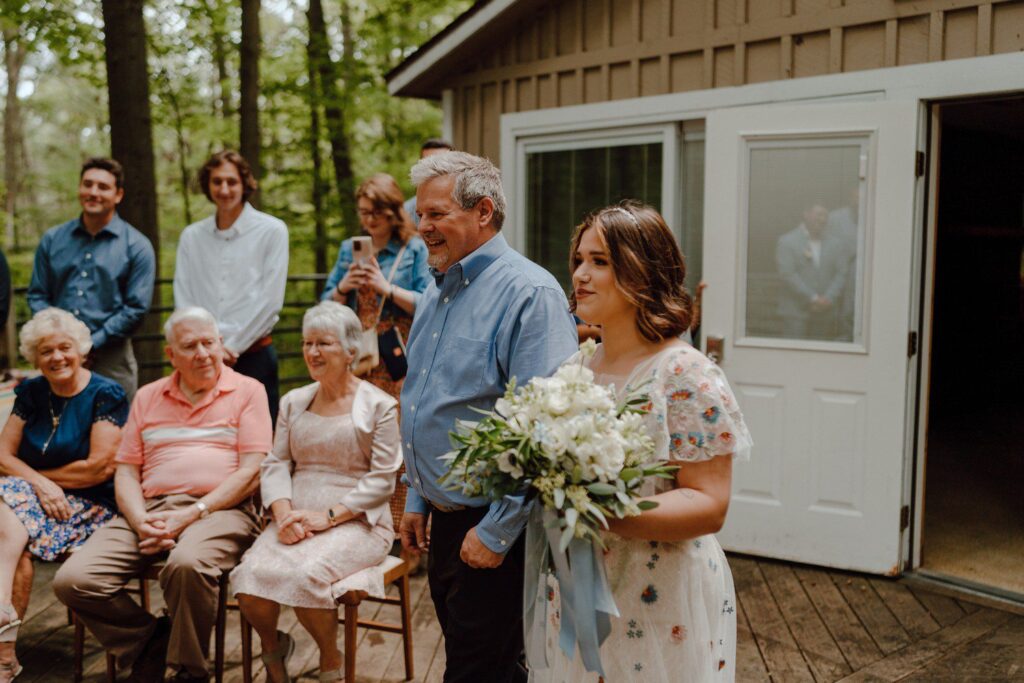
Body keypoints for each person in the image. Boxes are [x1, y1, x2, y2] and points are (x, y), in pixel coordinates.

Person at [526, 202, 752, 682]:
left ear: (643, 271)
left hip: (658, 594)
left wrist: (597, 512)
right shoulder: (577, 367)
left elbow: (709, 504)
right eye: (579, 260)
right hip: (578, 588)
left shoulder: (684, 375)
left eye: (601, 261)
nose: (581, 275)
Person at [398, 151, 578, 683]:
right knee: (482, 664)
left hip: (495, 526)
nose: (422, 227)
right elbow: (426, 401)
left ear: (482, 211)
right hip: (444, 520)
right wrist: (416, 496)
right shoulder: (438, 289)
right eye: (419, 214)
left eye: (435, 214)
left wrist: (497, 530)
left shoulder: (530, 293)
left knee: (479, 670)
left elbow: (545, 427)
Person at [53, 307, 272, 683]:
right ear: (171, 355)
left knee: (186, 564)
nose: (203, 353)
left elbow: (252, 471)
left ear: (221, 345)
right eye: (191, 346)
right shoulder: (149, 396)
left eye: (210, 342)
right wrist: (139, 520)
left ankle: (188, 671)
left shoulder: (248, 391)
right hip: (150, 508)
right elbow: (126, 471)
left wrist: (191, 514)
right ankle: (152, 640)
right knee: (73, 580)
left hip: (220, 510)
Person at [231, 301, 402, 683]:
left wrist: (327, 518)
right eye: (308, 343)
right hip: (294, 516)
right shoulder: (294, 401)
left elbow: (382, 479)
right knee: (248, 576)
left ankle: (330, 660)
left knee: (307, 575)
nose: (312, 352)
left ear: (351, 352)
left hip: (358, 521)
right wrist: (282, 514)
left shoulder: (380, 405)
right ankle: (273, 654)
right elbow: (275, 463)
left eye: (323, 343)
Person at [0, 308, 127, 681]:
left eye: (64, 347)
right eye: (46, 351)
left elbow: (98, 467)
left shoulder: (106, 393)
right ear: (34, 357)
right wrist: (40, 483)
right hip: (30, 498)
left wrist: (34, 480)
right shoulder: (32, 391)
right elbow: (2, 454)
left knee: (7, 506)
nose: (56, 357)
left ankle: (3, 633)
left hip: (88, 505)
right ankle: (4, 645)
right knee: (12, 535)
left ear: (81, 350)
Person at [173, 150, 289, 425]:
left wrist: (229, 348)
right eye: (217, 182)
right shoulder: (191, 236)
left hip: (253, 354)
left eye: (231, 182)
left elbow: (270, 301)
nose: (224, 189)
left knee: (258, 439)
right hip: (200, 359)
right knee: (204, 437)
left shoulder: (272, 230)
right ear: (207, 185)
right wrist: (203, 347)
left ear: (244, 184)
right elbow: (183, 295)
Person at [27, 157, 156, 400]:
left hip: (111, 359)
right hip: (57, 359)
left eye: (103, 187)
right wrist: (61, 341)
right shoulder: (52, 240)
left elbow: (136, 308)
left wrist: (88, 343)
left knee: (114, 433)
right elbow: (38, 295)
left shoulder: (137, 246)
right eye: (88, 184)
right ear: (80, 189)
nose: (93, 192)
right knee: (56, 430)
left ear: (118, 195)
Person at [321, 172, 430, 397]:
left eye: (377, 212)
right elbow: (324, 306)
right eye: (364, 213)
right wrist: (343, 287)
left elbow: (427, 304)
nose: (370, 219)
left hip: (396, 352)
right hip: (356, 351)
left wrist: (386, 289)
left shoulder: (414, 249)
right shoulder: (347, 250)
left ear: (392, 211)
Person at [775, 203, 851, 340]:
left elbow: (841, 273)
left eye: (825, 215)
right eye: (818, 214)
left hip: (825, 313)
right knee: (793, 356)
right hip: (795, 314)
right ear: (806, 214)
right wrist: (813, 298)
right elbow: (787, 274)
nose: (822, 219)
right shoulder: (787, 241)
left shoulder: (836, 244)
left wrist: (828, 298)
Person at [403, 138, 454, 226]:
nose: (434, 170)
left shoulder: (468, 208)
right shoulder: (406, 212)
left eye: (442, 163)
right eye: (427, 163)